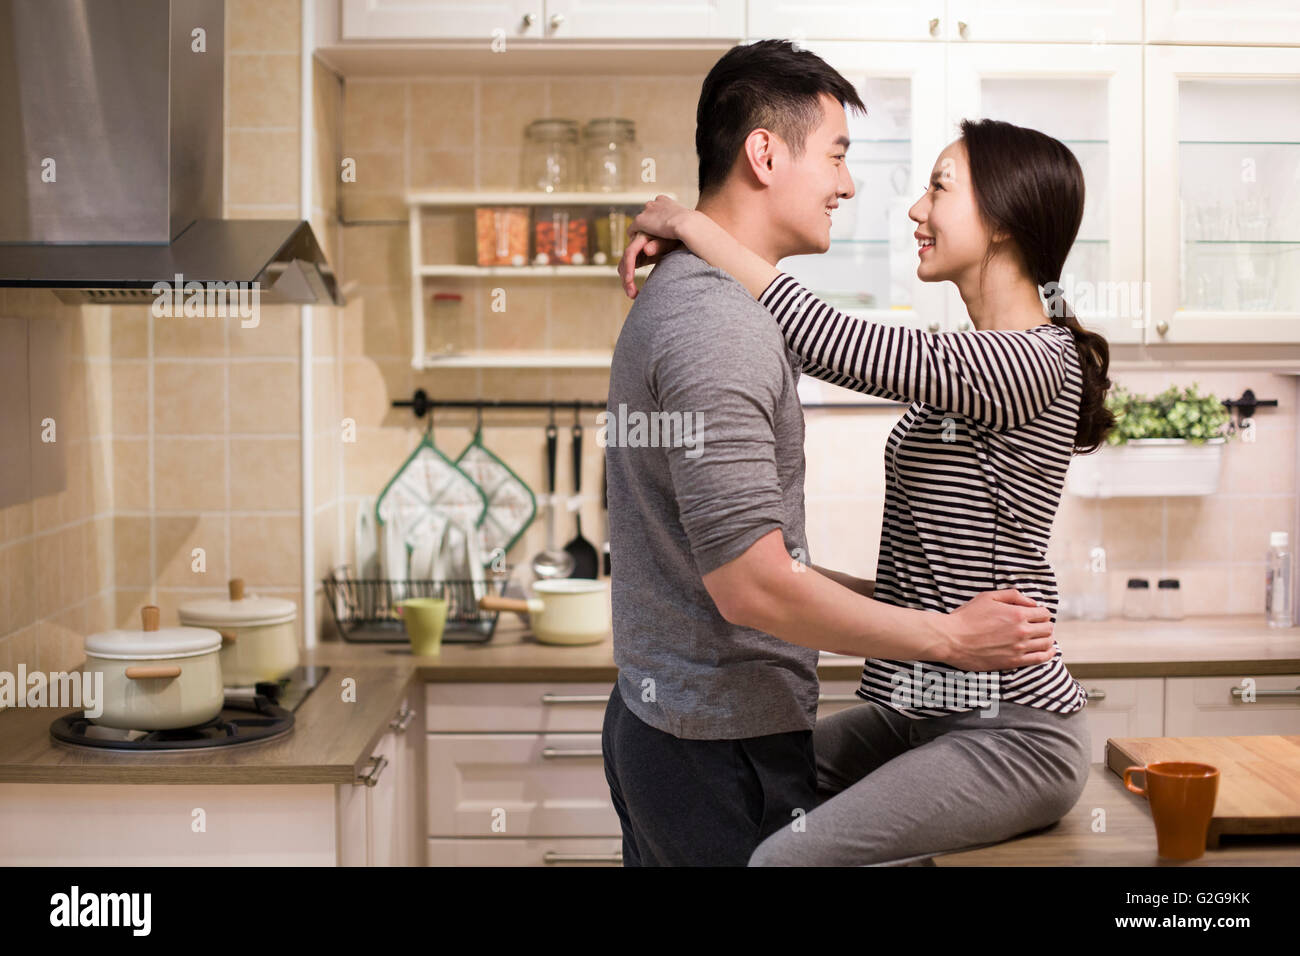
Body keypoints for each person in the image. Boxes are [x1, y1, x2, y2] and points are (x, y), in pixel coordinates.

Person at [602, 39, 1063, 868]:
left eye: (938, 188)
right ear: (765, 154)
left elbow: (832, 340)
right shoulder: (715, 321)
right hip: (902, 704)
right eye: (841, 155)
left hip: (1000, 712)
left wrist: (686, 222)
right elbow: (760, 580)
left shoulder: (1030, 360)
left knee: (786, 845)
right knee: (776, 820)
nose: (892, 201)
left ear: (1003, 219)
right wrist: (939, 634)